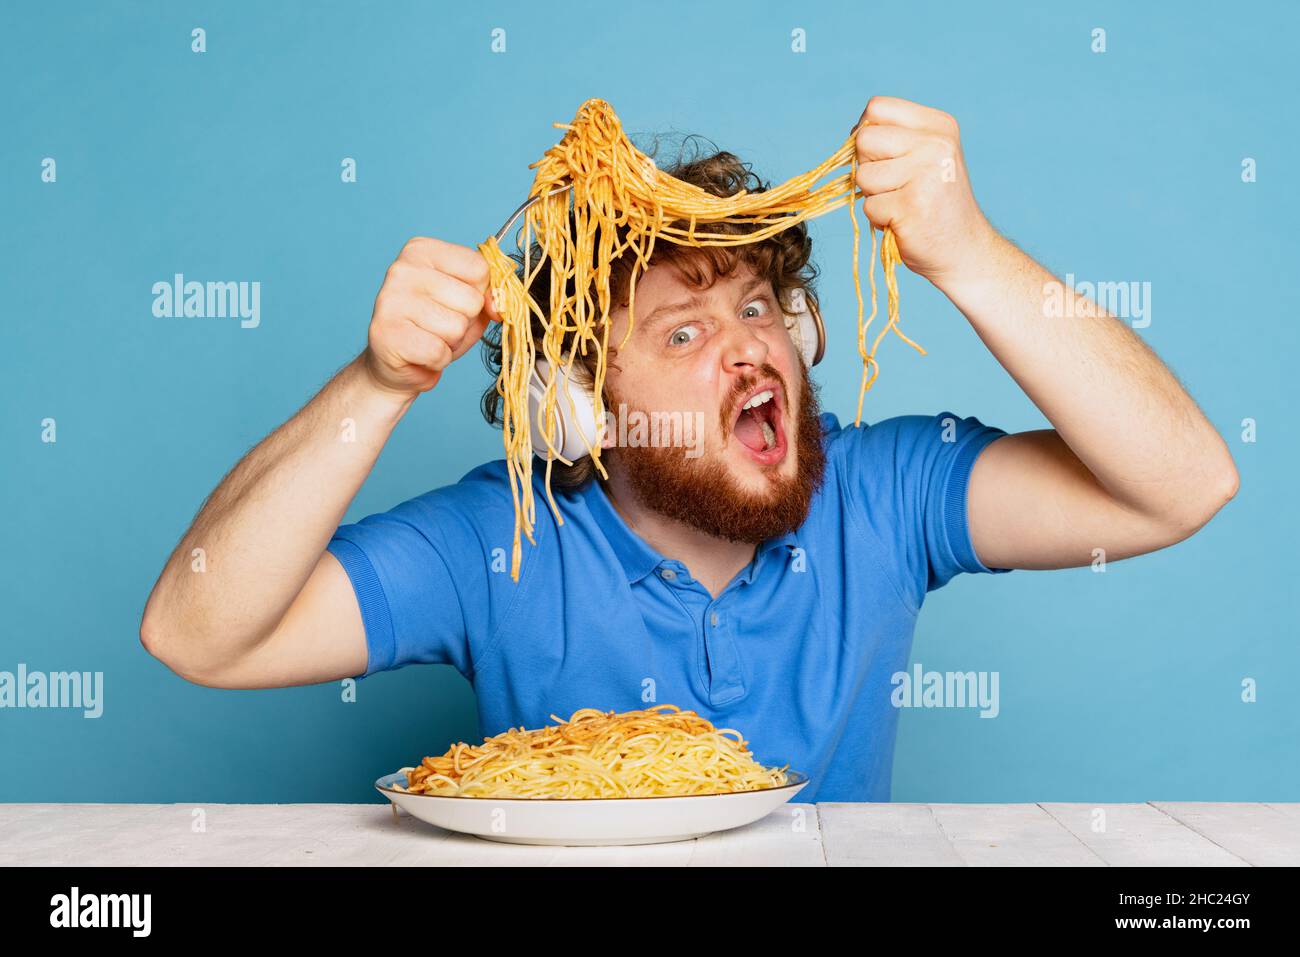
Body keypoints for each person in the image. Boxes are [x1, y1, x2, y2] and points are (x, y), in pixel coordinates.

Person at [140, 97, 1238, 801]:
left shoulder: (883, 495)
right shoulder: (502, 540)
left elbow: (1180, 486)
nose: (749, 349)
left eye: (761, 308)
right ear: (581, 408)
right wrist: (377, 385)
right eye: (682, 331)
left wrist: (969, 252)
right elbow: (200, 637)